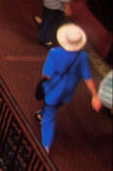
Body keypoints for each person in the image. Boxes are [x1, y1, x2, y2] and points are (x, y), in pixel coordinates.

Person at [34, 23, 102, 153]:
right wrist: (95, 95)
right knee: (52, 106)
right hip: (68, 91)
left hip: (54, 88)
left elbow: (46, 75)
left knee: (50, 116)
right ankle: (42, 113)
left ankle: (46, 145)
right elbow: (87, 77)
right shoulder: (82, 57)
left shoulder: (54, 53)